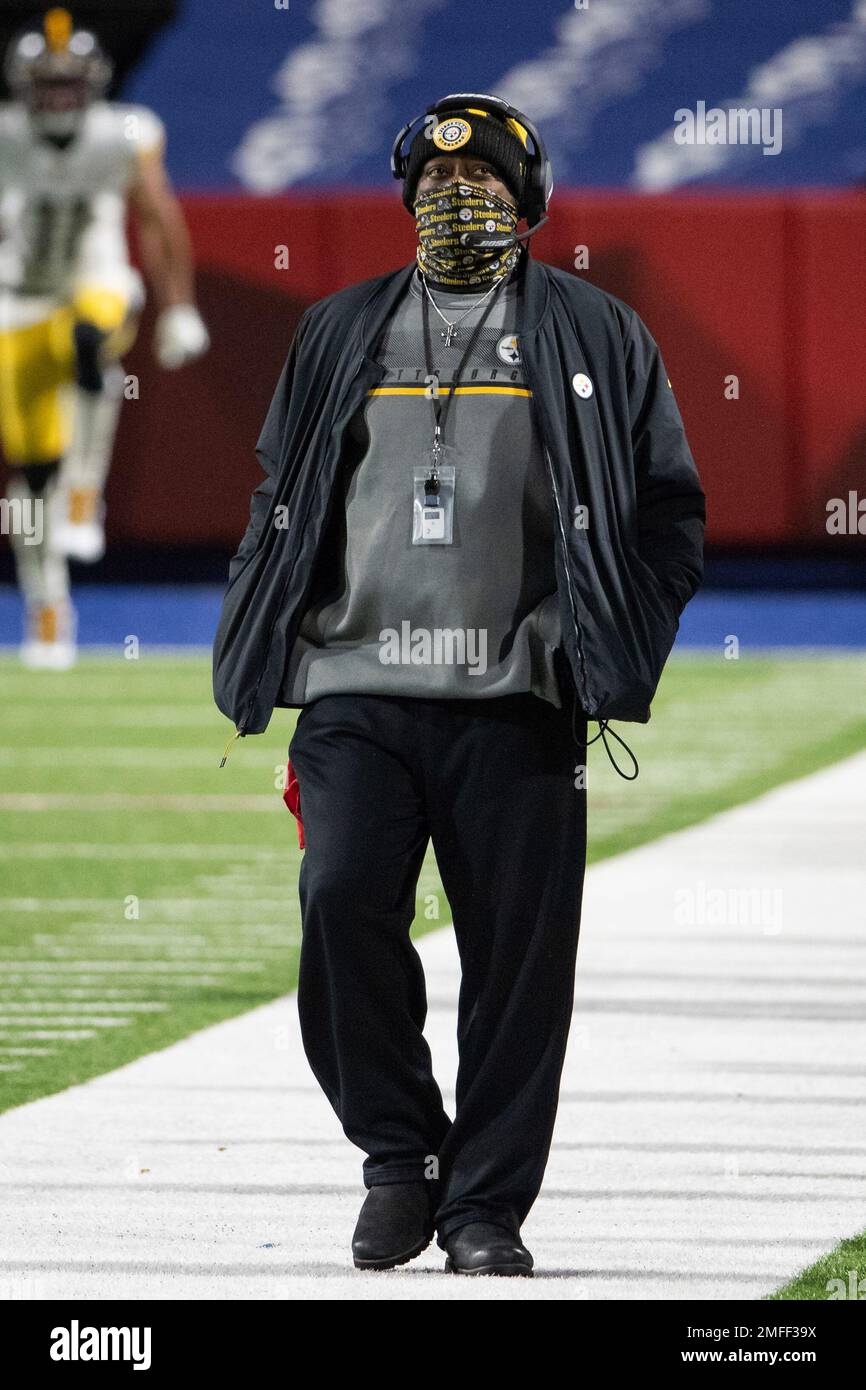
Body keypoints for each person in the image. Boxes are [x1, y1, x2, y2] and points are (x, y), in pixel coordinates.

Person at [213, 93, 705, 1276]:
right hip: (354, 684)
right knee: (339, 903)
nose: (456, 197)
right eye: (435, 185)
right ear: (404, 200)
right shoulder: (339, 328)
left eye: (482, 182)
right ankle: (401, 1157)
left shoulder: (595, 335)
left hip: (518, 696)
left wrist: (607, 636)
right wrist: (261, 621)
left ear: (527, 202)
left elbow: (667, 513)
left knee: (518, 968)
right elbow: (277, 500)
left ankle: (483, 1207)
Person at [0, 6, 209, 668]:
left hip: (98, 282)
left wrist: (179, 306)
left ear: (92, 85)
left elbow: (156, 215)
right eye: (47, 83)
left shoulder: (124, 133)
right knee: (31, 477)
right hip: (18, 304)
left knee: (92, 335)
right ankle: (48, 603)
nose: (59, 96)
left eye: (69, 82)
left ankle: (86, 492)